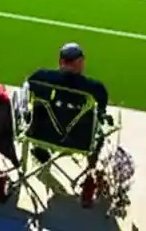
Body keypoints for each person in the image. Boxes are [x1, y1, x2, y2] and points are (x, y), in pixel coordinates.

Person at [26, 42, 110, 207]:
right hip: (79, 141)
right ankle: (90, 174)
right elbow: (101, 110)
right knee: (100, 131)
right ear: (79, 62)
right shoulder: (95, 88)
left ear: (61, 62)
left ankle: (41, 151)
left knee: (41, 109)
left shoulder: (41, 77)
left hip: (43, 135)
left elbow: (30, 88)